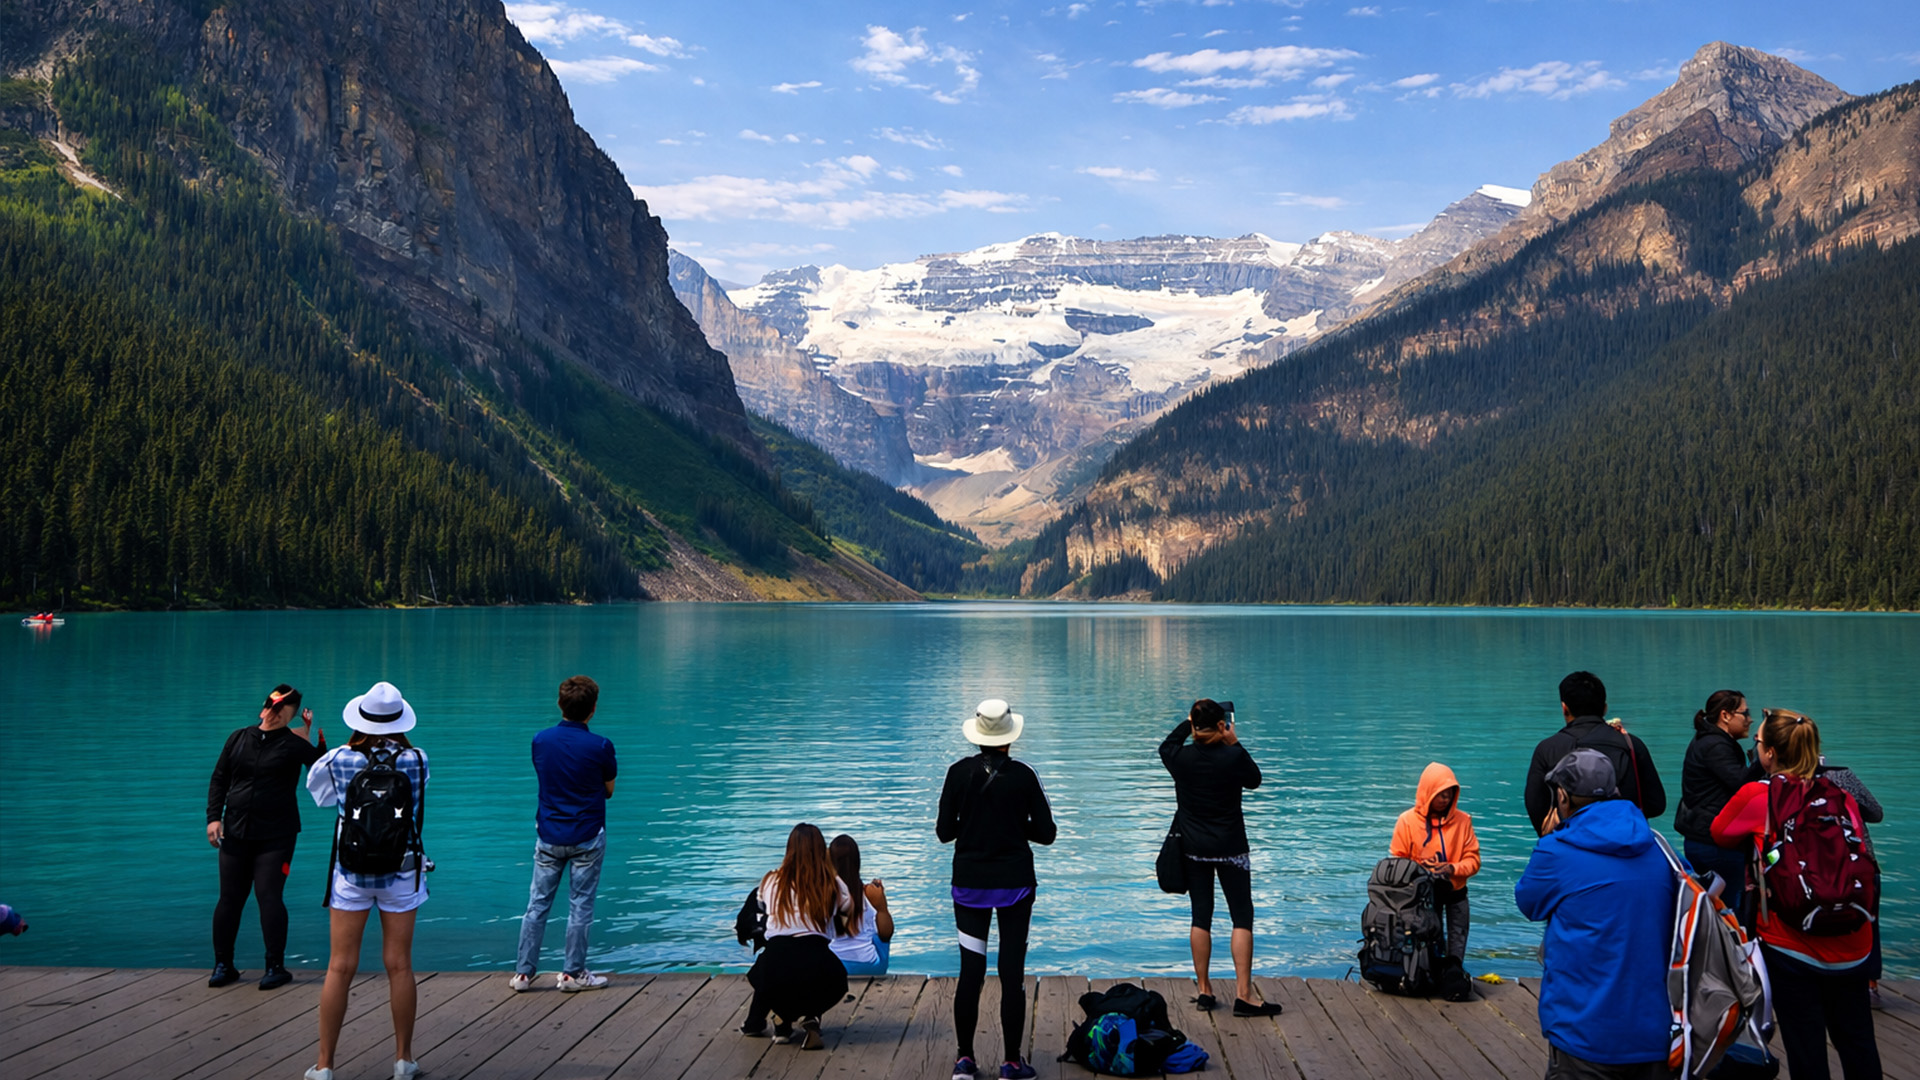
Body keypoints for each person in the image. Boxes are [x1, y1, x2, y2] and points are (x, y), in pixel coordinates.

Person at [1712, 709, 1881, 1080]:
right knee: (1857, 1039)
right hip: (1854, 941)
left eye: (1758, 743)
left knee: (1806, 1047)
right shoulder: (1840, 793)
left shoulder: (1759, 795)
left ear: (1770, 753)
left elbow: (1719, 832)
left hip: (1790, 943)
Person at [1515, 749, 1676, 1080]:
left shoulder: (1556, 852)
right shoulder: (1660, 848)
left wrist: (1548, 838)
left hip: (1584, 1030)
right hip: (1656, 1029)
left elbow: (1529, 903)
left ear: (1562, 796)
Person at [304, 681, 430, 1080]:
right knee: (399, 965)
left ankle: (325, 1065)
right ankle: (403, 1059)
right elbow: (416, 805)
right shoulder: (418, 759)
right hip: (402, 872)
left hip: (350, 873)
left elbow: (321, 799)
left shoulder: (337, 759)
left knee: (339, 967)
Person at [938, 699, 1057, 1080]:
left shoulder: (957, 773)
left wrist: (971, 825)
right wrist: (1014, 826)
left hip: (970, 885)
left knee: (970, 972)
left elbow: (943, 833)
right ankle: (1010, 1062)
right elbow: (1047, 834)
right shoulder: (1024, 775)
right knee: (1012, 973)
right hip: (1015, 886)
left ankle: (964, 1060)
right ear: (1009, 738)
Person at [1158, 698, 1282, 1017]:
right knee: (1241, 916)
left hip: (1194, 849)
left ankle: (1204, 989)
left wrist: (1190, 722)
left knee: (1201, 916)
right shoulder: (1232, 756)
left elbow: (1166, 745)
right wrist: (1233, 740)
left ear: (1195, 726)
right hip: (1231, 848)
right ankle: (1243, 995)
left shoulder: (1180, 758)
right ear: (1221, 725)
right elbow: (1255, 780)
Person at [206, 684, 325, 989]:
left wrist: (318, 743)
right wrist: (213, 819)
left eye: (287, 711)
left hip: (277, 835)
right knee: (230, 898)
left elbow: (321, 773)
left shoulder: (293, 744)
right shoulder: (239, 737)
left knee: (268, 896)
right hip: (235, 830)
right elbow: (220, 778)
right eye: (284, 710)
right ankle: (223, 965)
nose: (279, 714)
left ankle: (274, 966)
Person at [511, 675, 618, 993]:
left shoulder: (540, 740)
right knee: (581, 905)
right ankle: (572, 974)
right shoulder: (600, 746)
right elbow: (609, 791)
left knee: (537, 904)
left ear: (560, 705)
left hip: (549, 835)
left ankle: (523, 975)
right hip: (587, 835)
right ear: (593, 709)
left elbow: (546, 776)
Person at [742, 822, 853, 1051]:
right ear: (821, 849)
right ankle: (810, 1015)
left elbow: (762, 910)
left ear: (789, 848)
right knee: (828, 976)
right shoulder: (832, 882)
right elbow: (847, 909)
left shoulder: (770, 880)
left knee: (767, 970)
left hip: (776, 961)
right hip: (816, 958)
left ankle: (774, 1021)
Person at [1523, 671, 1666, 835]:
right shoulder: (1631, 744)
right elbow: (1656, 804)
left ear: (1564, 708)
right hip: (1625, 844)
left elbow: (1536, 808)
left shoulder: (1548, 749)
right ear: (1604, 708)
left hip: (1568, 846)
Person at [1388, 762, 1480, 965]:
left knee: (1457, 945)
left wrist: (1453, 868)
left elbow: (1473, 860)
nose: (1445, 799)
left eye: (1449, 794)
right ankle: (1428, 973)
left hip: (1456, 893)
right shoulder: (1407, 821)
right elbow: (1397, 863)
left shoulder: (1463, 821)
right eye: (1441, 794)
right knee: (1429, 944)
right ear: (1428, 792)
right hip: (1422, 896)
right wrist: (1421, 871)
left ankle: (1453, 973)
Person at [1672, 689, 1754, 917]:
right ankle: (1732, 949)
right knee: (1728, 910)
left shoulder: (1708, 740)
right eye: (1745, 713)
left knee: (1709, 908)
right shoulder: (1716, 745)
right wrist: (1762, 758)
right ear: (1726, 716)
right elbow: (1741, 783)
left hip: (1701, 837)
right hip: (1716, 843)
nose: (1750, 719)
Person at [828, 834, 894, 976]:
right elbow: (886, 935)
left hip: (836, 965)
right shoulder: (869, 893)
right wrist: (882, 907)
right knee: (877, 935)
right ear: (857, 861)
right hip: (871, 965)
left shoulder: (825, 894)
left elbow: (838, 930)